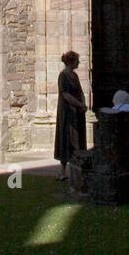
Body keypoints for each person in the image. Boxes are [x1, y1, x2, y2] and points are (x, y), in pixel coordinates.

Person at [54, 50, 87, 180]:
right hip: (68, 112)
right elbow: (65, 94)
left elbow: (80, 91)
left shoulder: (74, 75)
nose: (79, 62)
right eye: (77, 60)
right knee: (67, 139)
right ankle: (63, 171)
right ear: (72, 61)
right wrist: (80, 104)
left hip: (77, 112)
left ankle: (77, 170)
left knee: (78, 138)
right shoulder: (63, 76)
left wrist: (83, 104)